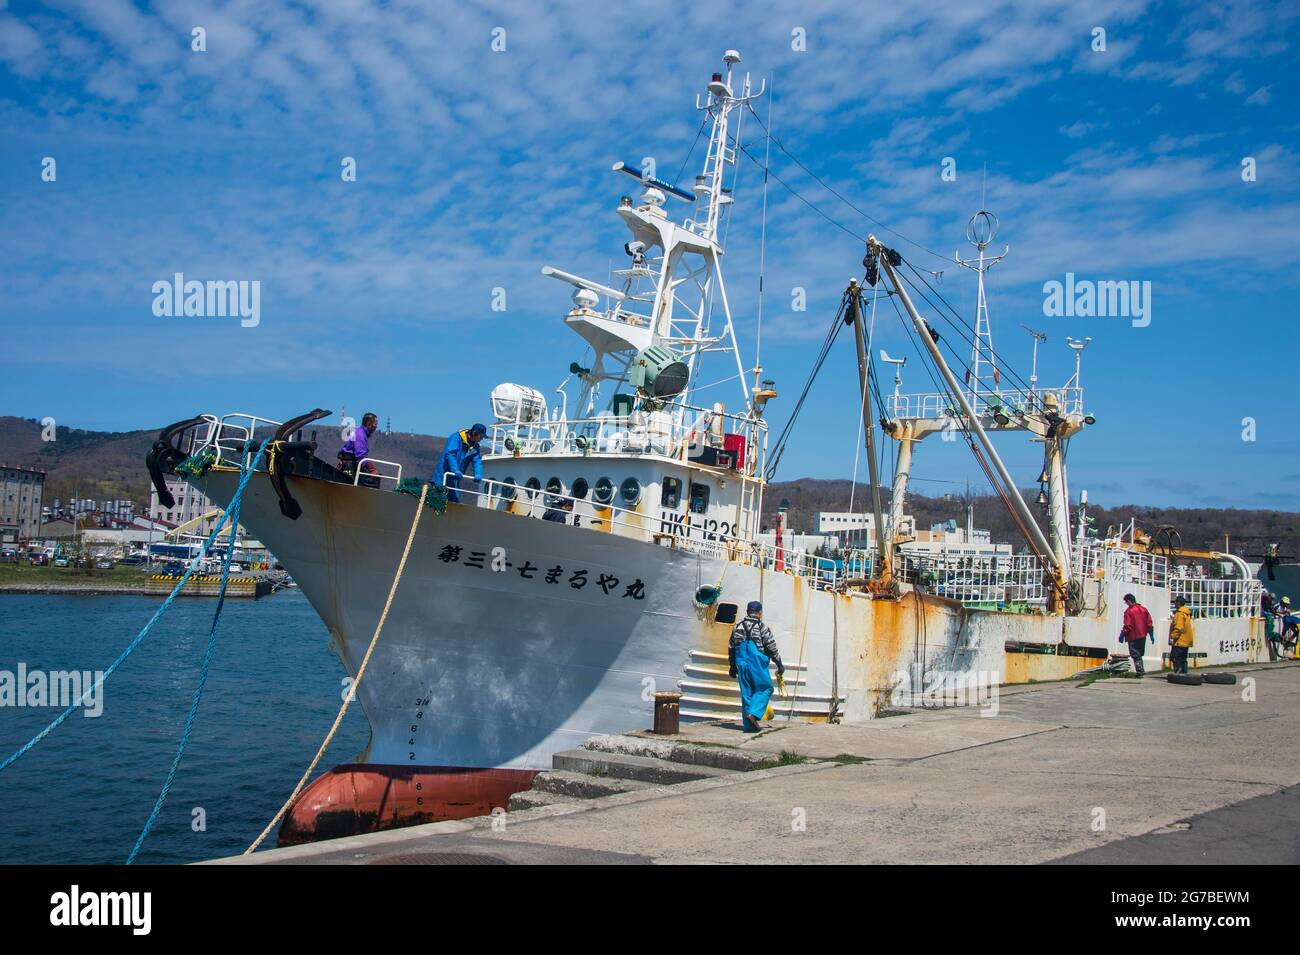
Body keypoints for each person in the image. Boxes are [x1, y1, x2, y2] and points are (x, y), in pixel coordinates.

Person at [728, 600, 785, 733]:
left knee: (747, 694)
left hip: (741, 662)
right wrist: (779, 663)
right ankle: (753, 714)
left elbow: (731, 648)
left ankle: (749, 727)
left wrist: (732, 666)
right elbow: (771, 647)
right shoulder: (762, 627)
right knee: (765, 689)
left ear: (748, 611)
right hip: (757, 662)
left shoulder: (737, 627)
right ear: (760, 613)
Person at [439, 424, 486, 503]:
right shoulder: (456, 438)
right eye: (481, 436)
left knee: (454, 502)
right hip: (443, 476)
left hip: (455, 480)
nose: (482, 439)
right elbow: (450, 454)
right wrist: (455, 470)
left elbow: (477, 462)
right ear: (474, 433)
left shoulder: (475, 446)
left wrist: (478, 474)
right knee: (438, 498)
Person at [1119, 593, 1154, 676]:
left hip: (1133, 636)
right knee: (1140, 654)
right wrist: (1151, 634)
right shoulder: (1144, 609)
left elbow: (1128, 625)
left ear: (1128, 601)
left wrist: (1122, 634)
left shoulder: (1129, 611)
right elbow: (1149, 623)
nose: (1126, 604)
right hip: (1143, 635)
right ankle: (1141, 670)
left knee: (1135, 654)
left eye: (1126, 602)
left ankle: (1139, 671)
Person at [339, 412, 379, 483]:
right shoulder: (360, 434)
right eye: (375, 424)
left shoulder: (360, 432)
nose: (376, 427)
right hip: (349, 467)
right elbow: (361, 456)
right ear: (369, 424)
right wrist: (372, 469)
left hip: (351, 464)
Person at [1169, 595, 1195, 674]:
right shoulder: (1186, 613)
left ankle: (1178, 674)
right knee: (1183, 659)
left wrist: (1172, 637)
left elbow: (1178, 628)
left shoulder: (1179, 614)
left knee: (1176, 658)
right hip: (1186, 641)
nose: (1174, 604)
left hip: (1179, 641)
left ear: (1178, 603)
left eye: (1175, 602)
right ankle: (1184, 673)